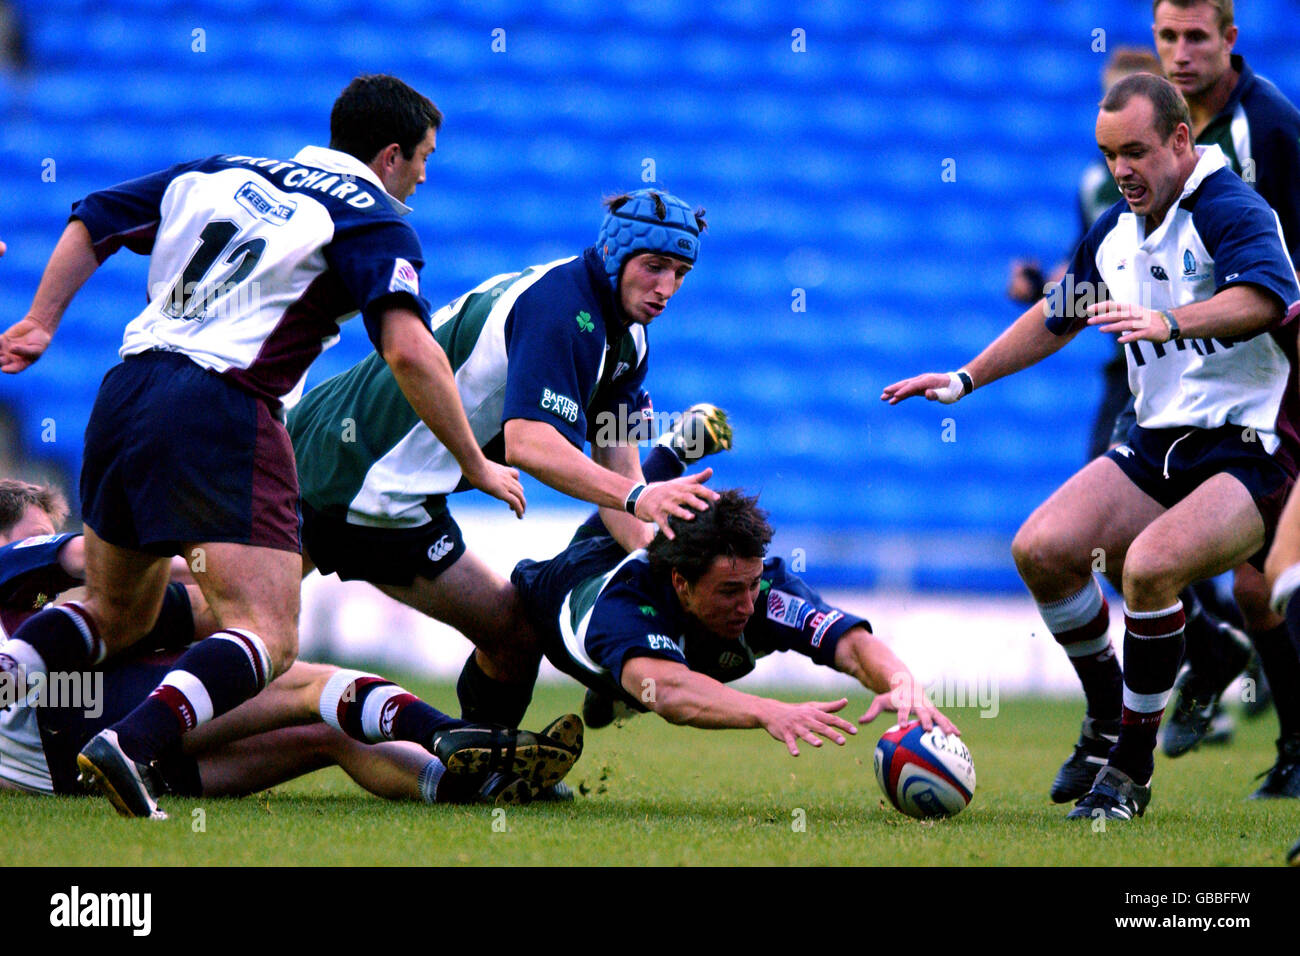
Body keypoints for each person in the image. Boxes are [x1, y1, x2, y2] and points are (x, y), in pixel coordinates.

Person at [0, 73, 527, 819]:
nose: (424, 176)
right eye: (423, 158)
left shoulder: (220, 170)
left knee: (115, 613)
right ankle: (132, 741)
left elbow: (94, 217)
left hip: (125, 390)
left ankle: (8, 674)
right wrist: (473, 462)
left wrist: (40, 321)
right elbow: (409, 352)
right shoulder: (374, 219)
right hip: (225, 408)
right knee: (269, 634)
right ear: (389, 155)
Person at [882, 73, 1300, 820]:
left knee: (1149, 571)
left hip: (1254, 448)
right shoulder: (1114, 229)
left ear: (1181, 140)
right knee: (1041, 548)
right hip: (1157, 443)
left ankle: (1130, 771)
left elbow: (1264, 297)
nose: (1122, 170)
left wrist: (1174, 321)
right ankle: (1110, 718)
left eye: (1136, 151)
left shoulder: (1233, 206)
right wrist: (963, 378)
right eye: (1110, 156)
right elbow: (1057, 314)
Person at [287, 188, 718, 735]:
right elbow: (531, 445)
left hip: (342, 444)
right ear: (615, 254)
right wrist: (638, 498)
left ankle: (482, 760)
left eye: (679, 272)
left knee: (222, 613)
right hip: (368, 474)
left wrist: (667, 564)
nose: (666, 288)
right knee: (512, 630)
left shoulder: (630, 340)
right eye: (654, 266)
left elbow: (621, 472)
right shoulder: (563, 309)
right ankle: (478, 762)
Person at [0, 480, 583, 810]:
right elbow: (106, 562)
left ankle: (472, 784)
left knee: (327, 731)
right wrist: (240, 560)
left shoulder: (101, 619)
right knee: (307, 681)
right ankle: (455, 738)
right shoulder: (29, 567)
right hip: (84, 730)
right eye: (37, 538)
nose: (55, 547)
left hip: (95, 766)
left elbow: (189, 607)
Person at [509, 436, 956, 754]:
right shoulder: (626, 603)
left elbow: (853, 646)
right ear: (682, 584)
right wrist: (768, 712)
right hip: (562, 585)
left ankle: (669, 458)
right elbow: (667, 691)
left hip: (658, 599)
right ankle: (668, 454)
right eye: (728, 591)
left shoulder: (763, 589)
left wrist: (904, 684)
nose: (747, 604)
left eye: (751, 584)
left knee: (654, 538)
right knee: (626, 534)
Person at [1147, 0, 1300, 770]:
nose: (1180, 51)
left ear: (1229, 40)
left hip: (1279, 371)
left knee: (1267, 580)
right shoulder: (1165, 132)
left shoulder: (1266, 124)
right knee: (1248, 582)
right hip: (1205, 373)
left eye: (1195, 36)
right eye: (1167, 36)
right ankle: (1278, 730)